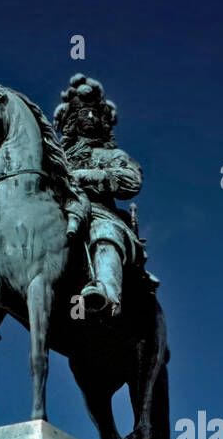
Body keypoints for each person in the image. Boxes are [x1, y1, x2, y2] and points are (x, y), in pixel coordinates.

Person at [54, 75, 157, 317]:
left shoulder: (112, 155)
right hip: (56, 212)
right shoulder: (56, 158)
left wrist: (91, 175)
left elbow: (132, 181)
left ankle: (106, 293)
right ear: (72, 120)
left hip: (99, 213)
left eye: (95, 114)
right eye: (84, 113)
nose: (90, 118)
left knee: (104, 232)